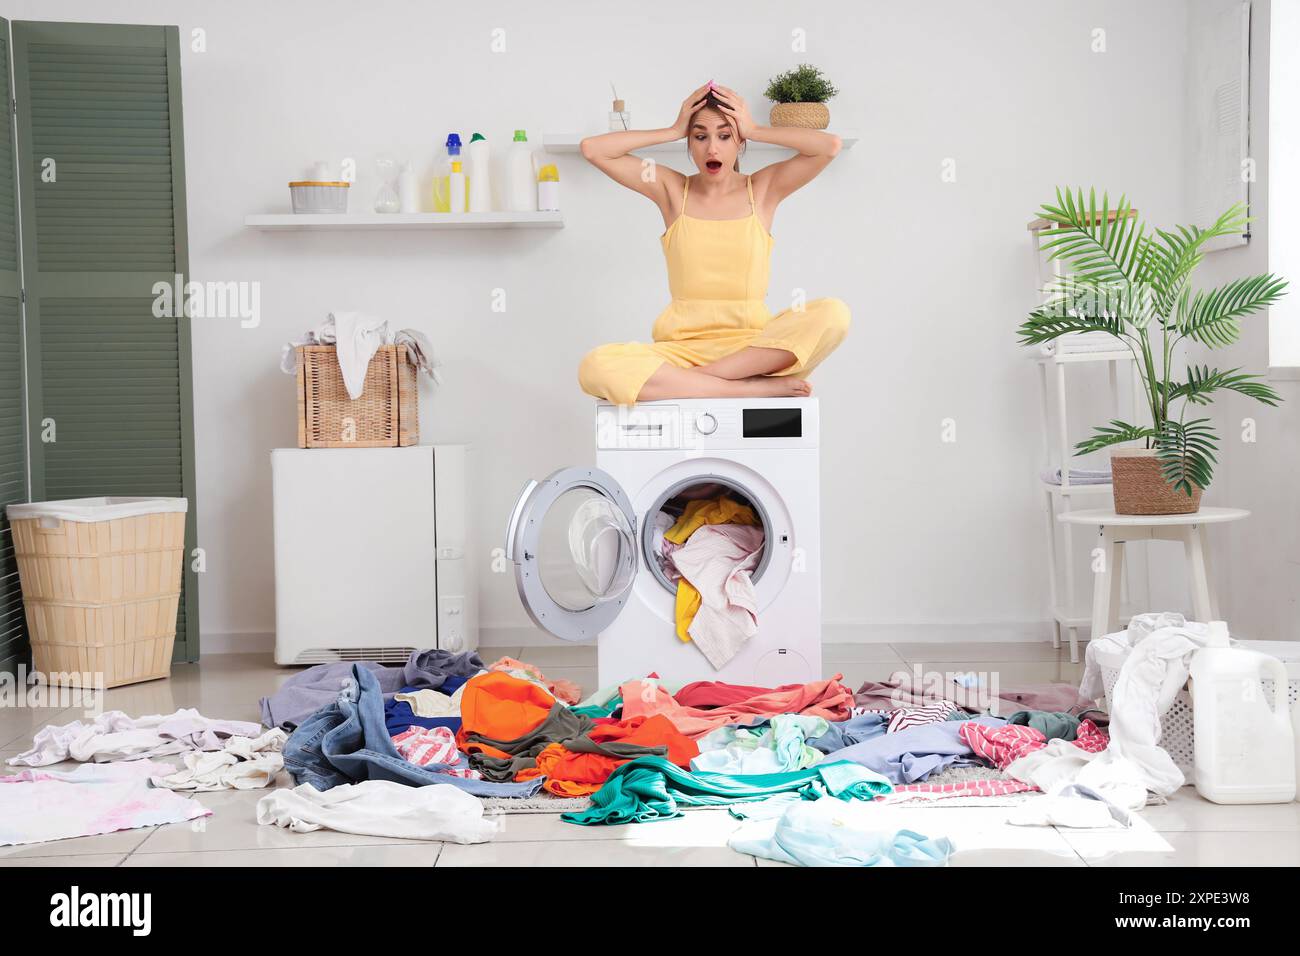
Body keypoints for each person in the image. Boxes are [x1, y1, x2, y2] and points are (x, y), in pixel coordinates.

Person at [577, 81, 850, 405]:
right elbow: (593, 149)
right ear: (689, 143)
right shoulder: (672, 190)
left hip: (754, 351)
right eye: (700, 136)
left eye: (725, 135)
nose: (712, 149)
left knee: (834, 313)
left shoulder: (762, 190)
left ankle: (697, 383)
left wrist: (754, 128)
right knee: (596, 366)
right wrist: (671, 129)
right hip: (680, 352)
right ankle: (740, 388)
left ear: (740, 143)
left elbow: (829, 146)